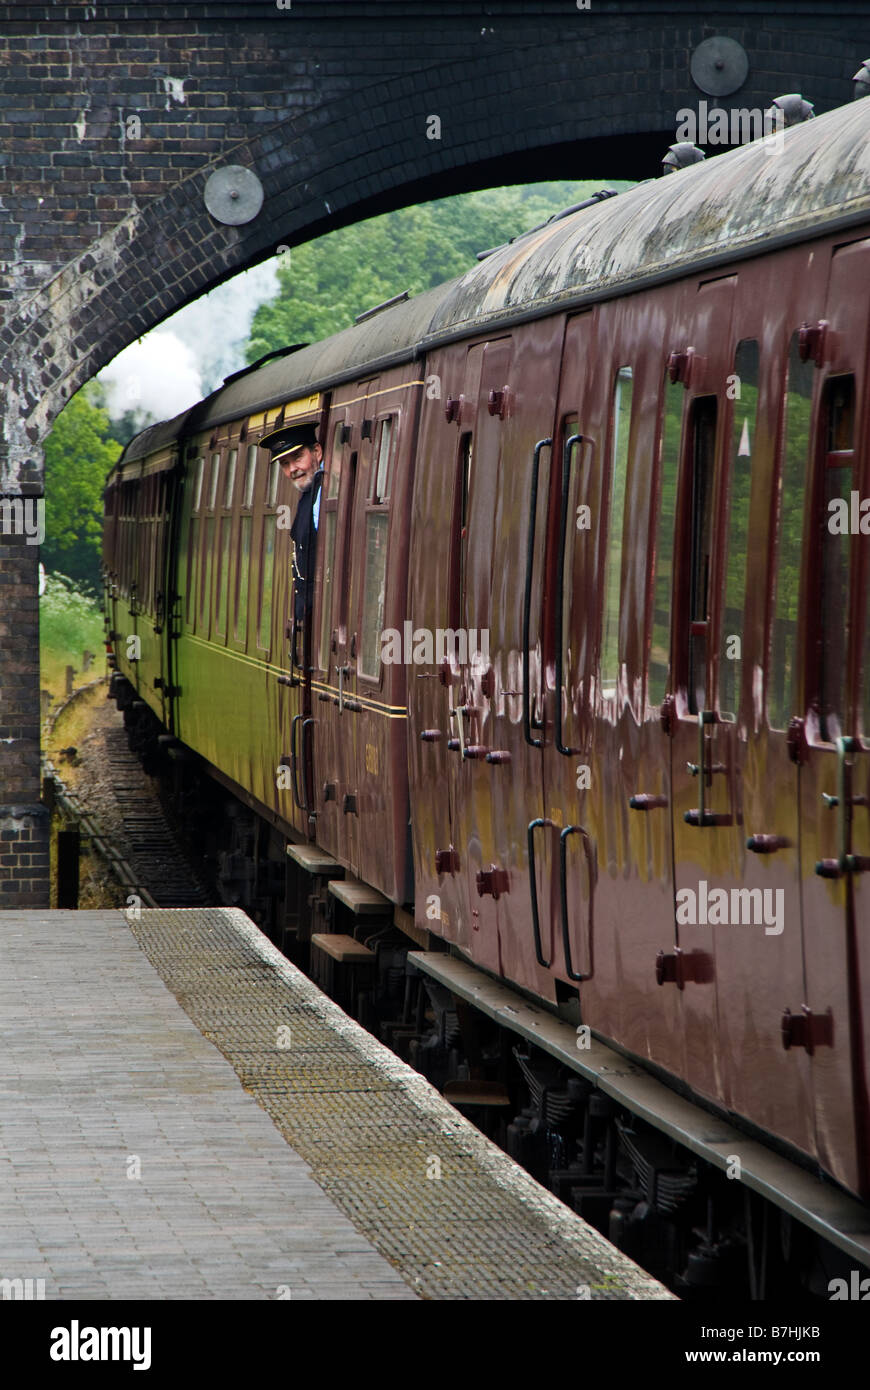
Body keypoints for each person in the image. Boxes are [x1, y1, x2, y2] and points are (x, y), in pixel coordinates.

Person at [260, 420, 324, 628]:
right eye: (285, 464)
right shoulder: (309, 493)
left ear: (317, 452)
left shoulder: (325, 491)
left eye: (297, 458)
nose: (293, 469)